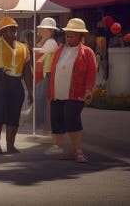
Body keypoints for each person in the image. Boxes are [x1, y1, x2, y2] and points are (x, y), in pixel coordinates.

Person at [0, 16, 33, 154]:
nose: (11, 32)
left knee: (14, 115)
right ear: (1, 32)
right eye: (6, 30)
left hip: (16, 83)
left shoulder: (24, 48)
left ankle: (10, 145)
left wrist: (30, 91)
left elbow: (27, 71)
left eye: (13, 29)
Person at [48, 18, 97, 163]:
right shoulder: (60, 49)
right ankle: (65, 150)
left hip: (75, 93)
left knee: (72, 119)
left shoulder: (87, 52)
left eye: (71, 34)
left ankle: (77, 150)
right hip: (57, 93)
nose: (68, 36)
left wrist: (88, 90)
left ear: (80, 36)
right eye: (67, 34)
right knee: (57, 120)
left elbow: (91, 73)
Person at [34, 17, 59, 139]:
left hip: (45, 75)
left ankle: (45, 130)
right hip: (40, 75)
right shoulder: (45, 42)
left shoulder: (51, 43)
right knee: (40, 102)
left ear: (49, 30)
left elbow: (40, 57)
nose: (40, 30)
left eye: (42, 28)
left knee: (42, 102)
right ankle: (44, 129)